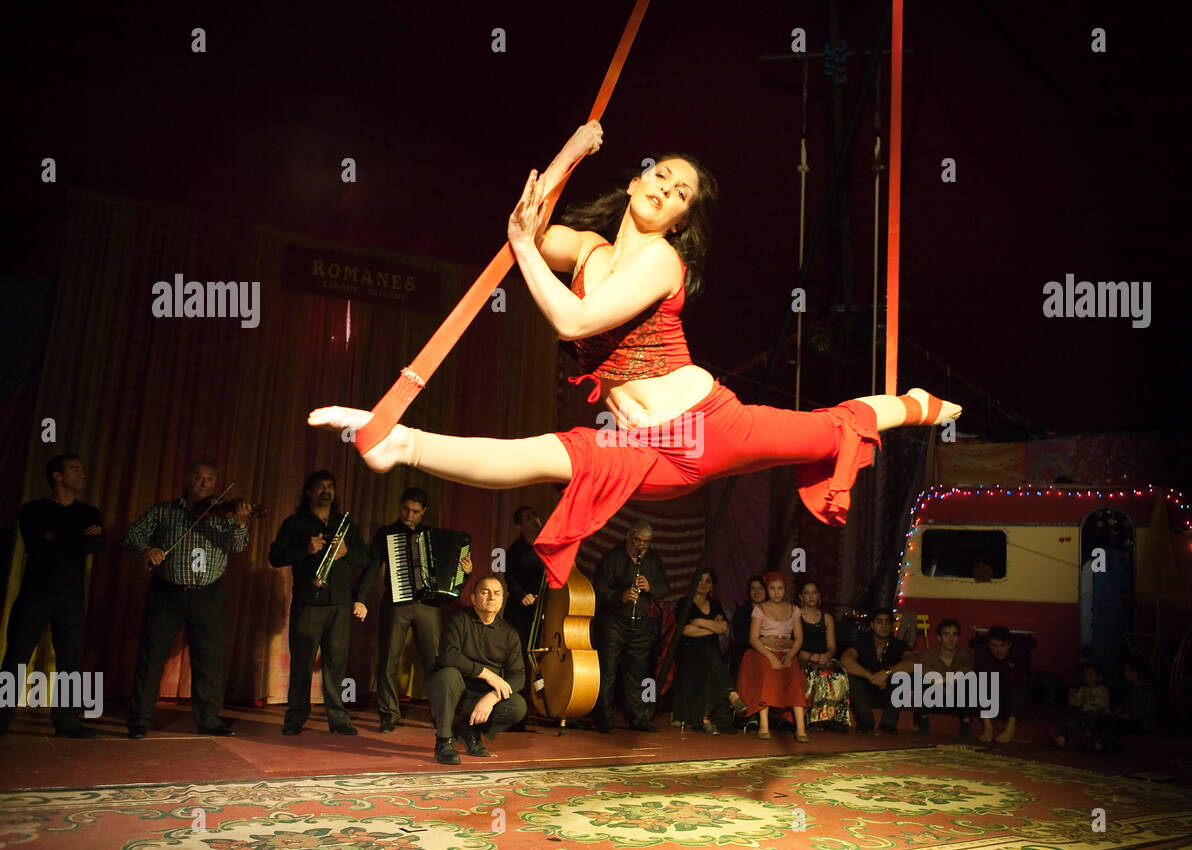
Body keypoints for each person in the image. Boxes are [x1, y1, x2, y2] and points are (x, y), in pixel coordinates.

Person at [308, 122, 962, 591]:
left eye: (683, 195)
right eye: (663, 177)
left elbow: (571, 316)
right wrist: (571, 150)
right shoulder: (588, 248)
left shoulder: (660, 259)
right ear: (635, 180)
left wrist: (526, 246)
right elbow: (531, 230)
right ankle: (404, 446)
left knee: (825, 426)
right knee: (539, 456)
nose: (670, 191)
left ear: (680, 221)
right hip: (642, 445)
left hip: (705, 424)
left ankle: (914, 405)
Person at [122, 460, 251, 738]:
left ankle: (209, 720)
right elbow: (131, 535)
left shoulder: (224, 514)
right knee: (152, 657)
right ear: (187, 479)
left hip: (209, 595)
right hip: (167, 593)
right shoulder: (165, 510)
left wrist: (239, 523)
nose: (204, 483)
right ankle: (139, 721)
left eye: (209, 479)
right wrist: (148, 550)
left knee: (208, 660)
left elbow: (239, 546)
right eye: (198, 477)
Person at [0, 454, 104, 738]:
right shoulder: (33, 510)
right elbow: (39, 543)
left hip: (71, 596)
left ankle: (67, 721)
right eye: (74, 469)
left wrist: (58, 538)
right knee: (17, 656)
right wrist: (77, 539)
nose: (82, 474)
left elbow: (97, 543)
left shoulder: (88, 512)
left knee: (70, 659)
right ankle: (1, 718)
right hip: (36, 593)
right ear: (57, 476)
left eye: (82, 470)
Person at [353, 487, 472, 732]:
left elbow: (449, 577)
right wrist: (361, 598)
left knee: (436, 661)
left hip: (427, 605)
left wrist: (465, 574)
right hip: (396, 603)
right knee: (388, 660)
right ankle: (388, 714)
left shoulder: (431, 534)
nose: (409, 515)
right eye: (406, 509)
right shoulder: (386, 533)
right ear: (400, 506)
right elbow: (373, 567)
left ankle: (440, 713)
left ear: (423, 512)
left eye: (415, 511)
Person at [269, 471, 369, 736]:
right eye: (321, 487)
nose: (327, 491)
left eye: (331, 487)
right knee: (301, 662)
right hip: (308, 604)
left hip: (339, 604)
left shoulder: (343, 524)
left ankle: (338, 718)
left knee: (336, 663)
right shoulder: (295, 523)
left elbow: (364, 558)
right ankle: (295, 718)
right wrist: (306, 550)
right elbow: (275, 557)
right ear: (309, 492)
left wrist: (348, 554)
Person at [427, 575, 526, 765]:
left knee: (517, 705)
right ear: (473, 599)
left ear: (502, 599)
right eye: (485, 592)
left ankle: (470, 731)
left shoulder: (509, 634)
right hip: (451, 690)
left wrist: (492, 697)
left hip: (481, 695)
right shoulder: (459, 620)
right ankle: (444, 741)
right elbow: (449, 656)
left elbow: (518, 676)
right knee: (449, 674)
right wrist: (486, 673)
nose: (491, 597)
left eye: (497, 593)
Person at [590, 521, 668, 733]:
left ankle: (638, 717)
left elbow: (664, 588)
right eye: (637, 541)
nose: (641, 546)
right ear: (628, 537)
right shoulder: (612, 558)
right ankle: (603, 717)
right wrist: (620, 596)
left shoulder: (652, 560)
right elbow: (598, 590)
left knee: (638, 673)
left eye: (646, 542)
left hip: (640, 623)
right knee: (608, 671)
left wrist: (650, 587)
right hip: (613, 621)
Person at [671, 569, 746, 734]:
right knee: (707, 652)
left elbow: (723, 627)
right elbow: (686, 631)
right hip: (688, 651)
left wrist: (698, 622)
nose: (703, 584)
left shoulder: (715, 603)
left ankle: (704, 718)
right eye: (700, 580)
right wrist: (711, 626)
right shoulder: (685, 602)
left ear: (712, 585)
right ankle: (731, 693)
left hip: (711, 653)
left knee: (710, 661)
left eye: (707, 581)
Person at [737, 572, 808, 741]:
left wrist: (790, 656)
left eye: (780, 588)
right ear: (768, 590)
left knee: (794, 677)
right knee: (768, 674)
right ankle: (763, 725)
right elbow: (753, 639)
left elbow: (799, 638)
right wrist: (771, 657)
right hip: (763, 652)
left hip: (786, 653)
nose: (776, 592)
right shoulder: (759, 609)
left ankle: (800, 728)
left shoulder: (794, 609)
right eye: (772, 588)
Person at [840, 607, 913, 735]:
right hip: (866, 693)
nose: (883, 626)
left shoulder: (897, 645)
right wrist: (871, 676)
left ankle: (888, 724)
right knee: (850, 678)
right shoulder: (863, 642)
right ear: (872, 625)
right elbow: (845, 660)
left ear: (891, 626)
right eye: (879, 622)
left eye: (887, 622)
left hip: (889, 693)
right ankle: (865, 722)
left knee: (904, 679)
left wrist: (886, 673)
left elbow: (912, 662)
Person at [797, 580, 851, 731]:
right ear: (801, 597)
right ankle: (813, 719)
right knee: (815, 674)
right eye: (807, 593)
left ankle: (835, 719)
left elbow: (832, 646)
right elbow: (792, 644)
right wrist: (809, 656)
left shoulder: (826, 618)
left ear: (819, 595)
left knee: (839, 673)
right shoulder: (796, 616)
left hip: (822, 658)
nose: (811, 596)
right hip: (803, 658)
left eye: (814, 592)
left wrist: (827, 655)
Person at [916, 618, 976, 737]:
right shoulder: (930, 654)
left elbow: (965, 673)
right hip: (934, 695)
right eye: (946, 634)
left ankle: (966, 723)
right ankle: (923, 720)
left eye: (954, 635)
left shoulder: (964, 655)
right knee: (919, 681)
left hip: (957, 695)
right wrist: (940, 682)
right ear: (939, 637)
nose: (950, 639)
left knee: (969, 682)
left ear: (958, 638)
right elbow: (923, 672)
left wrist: (941, 680)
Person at [974, 625, 1030, 743]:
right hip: (990, 699)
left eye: (1002, 646)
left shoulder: (1018, 652)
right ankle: (988, 727)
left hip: (1010, 699)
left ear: (1009, 644)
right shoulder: (982, 652)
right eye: (994, 646)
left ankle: (1010, 728)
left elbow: (1019, 678)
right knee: (982, 683)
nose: (998, 650)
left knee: (1017, 687)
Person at [503, 505, 546, 638]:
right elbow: (510, 578)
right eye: (528, 518)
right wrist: (522, 595)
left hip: (546, 606)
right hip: (520, 608)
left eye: (534, 515)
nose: (534, 519)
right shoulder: (514, 551)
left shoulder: (550, 546)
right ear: (520, 528)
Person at [1051, 662, 1111, 751]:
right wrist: (1071, 696)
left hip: (1099, 716)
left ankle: (1091, 741)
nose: (1087, 679)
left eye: (1090, 676)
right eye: (1085, 676)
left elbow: (1103, 704)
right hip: (1084, 715)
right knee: (1072, 722)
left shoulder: (1103, 690)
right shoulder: (1083, 689)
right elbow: (1075, 704)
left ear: (1099, 678)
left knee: (1091, 720)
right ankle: (1062, 738)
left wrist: (1092, 697)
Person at [726, 576, 766, 675]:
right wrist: (763, 640)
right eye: (753, 588)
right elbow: (742, 638)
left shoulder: (774, 610)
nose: (757, 592)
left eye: (760, 588)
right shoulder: (741, 612)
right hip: (746, 656)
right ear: (749, 591)